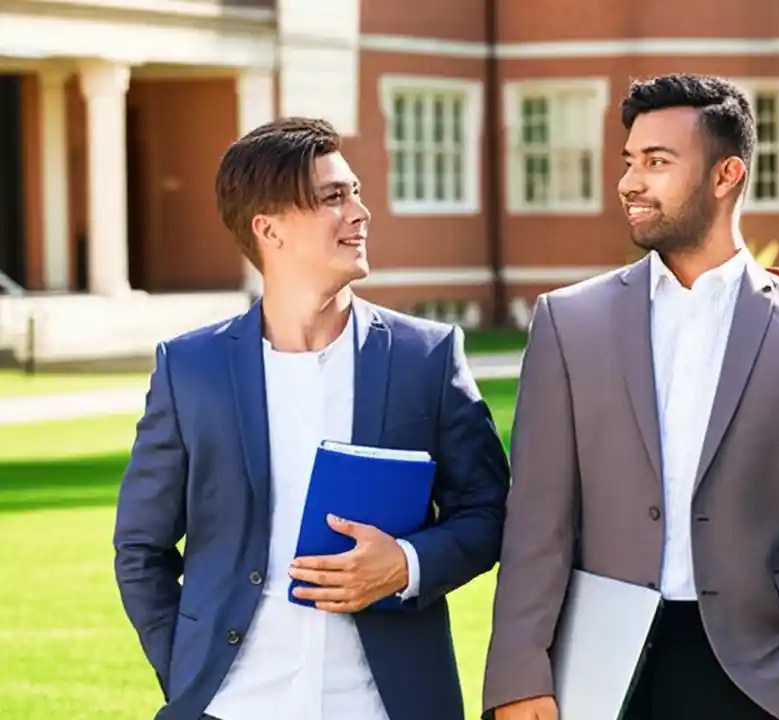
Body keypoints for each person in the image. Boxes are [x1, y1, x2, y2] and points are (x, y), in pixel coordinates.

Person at [481, 73, 779, 720]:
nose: (630, 182)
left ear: (726, 176)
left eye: (658, 163)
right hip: (602, 672)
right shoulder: (568, 323)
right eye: (629, 161)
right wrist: (520, 676)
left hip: (765, 677)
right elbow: (536, 522)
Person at [112, 117, 510, 720]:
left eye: (355, 192)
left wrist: (407, 564)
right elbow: (140, 547)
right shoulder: (190, 369)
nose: (360, 212)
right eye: (333, 197)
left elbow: (490, 510)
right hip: (232, 706)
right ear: (267, 229)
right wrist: (190, 677)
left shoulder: (424, 358)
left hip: (388, 704)